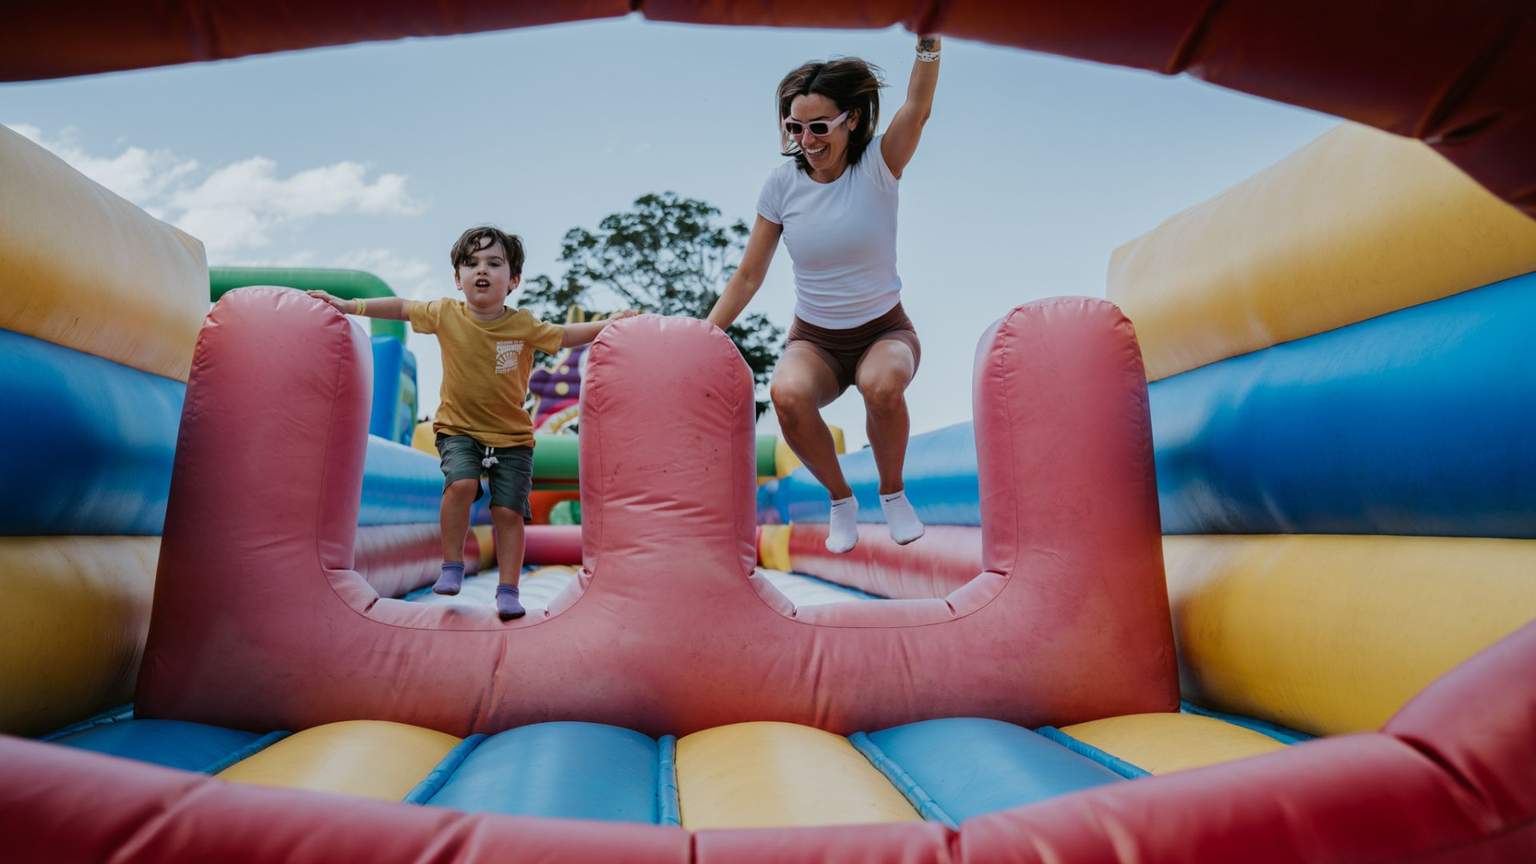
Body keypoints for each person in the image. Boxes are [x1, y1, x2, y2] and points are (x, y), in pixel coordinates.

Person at [309, 226, 633, 619]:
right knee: (461, 484)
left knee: (508, 513)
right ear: (457, 278)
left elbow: (564, 336)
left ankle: (509, 590)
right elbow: (400, 308)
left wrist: (609, 324)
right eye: (471, 263)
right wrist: (350, 304)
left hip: (512, 436)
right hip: (458, 429)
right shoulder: (445, 313)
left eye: (494, 263)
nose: (482, 270)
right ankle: (451, 564)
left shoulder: (524, 326)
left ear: (512, 280)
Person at [707, 36, 942, 554]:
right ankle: (841, 500)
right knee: (786, 396)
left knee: (882, 386)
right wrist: (704, 334)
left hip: (884, 330)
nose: (806, 140)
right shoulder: (781, 185)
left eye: (819, 127)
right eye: (795, 127)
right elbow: (748, 276)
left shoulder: (879, 164)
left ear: (852, 120)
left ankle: (893, 491)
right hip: (816, 340)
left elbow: (918, 110)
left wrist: (928, 46)